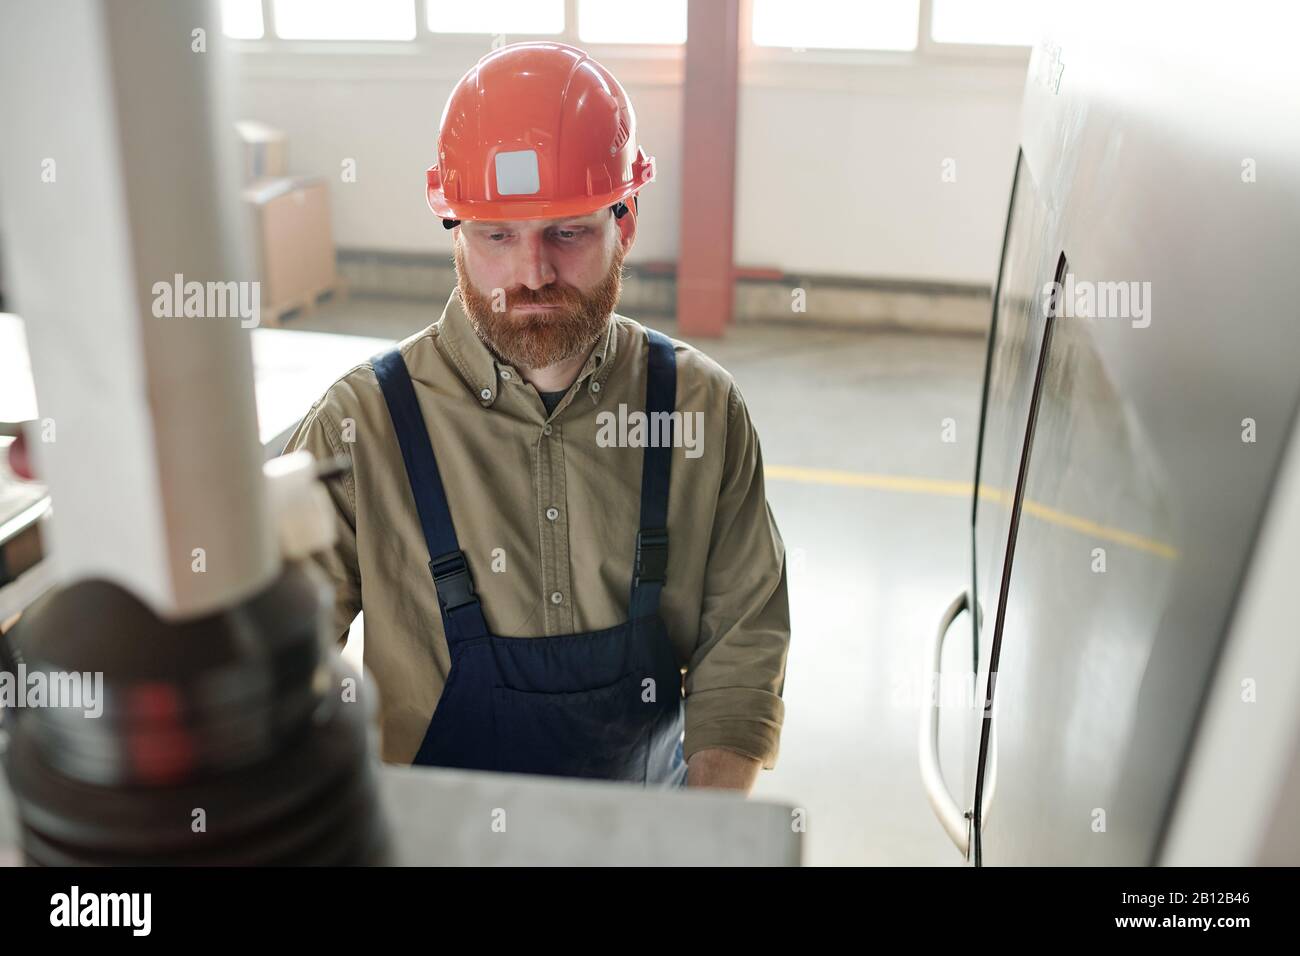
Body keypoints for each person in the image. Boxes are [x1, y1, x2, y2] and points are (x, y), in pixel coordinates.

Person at [285, 41, 789, 792]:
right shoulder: (361, 425)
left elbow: (743, 646)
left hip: (644, 844)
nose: (533, 273)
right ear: (455, 230)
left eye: (569, 231)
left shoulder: (699, 411)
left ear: (627, 221)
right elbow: (280, 677)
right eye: (497, 236)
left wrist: (699, 835)